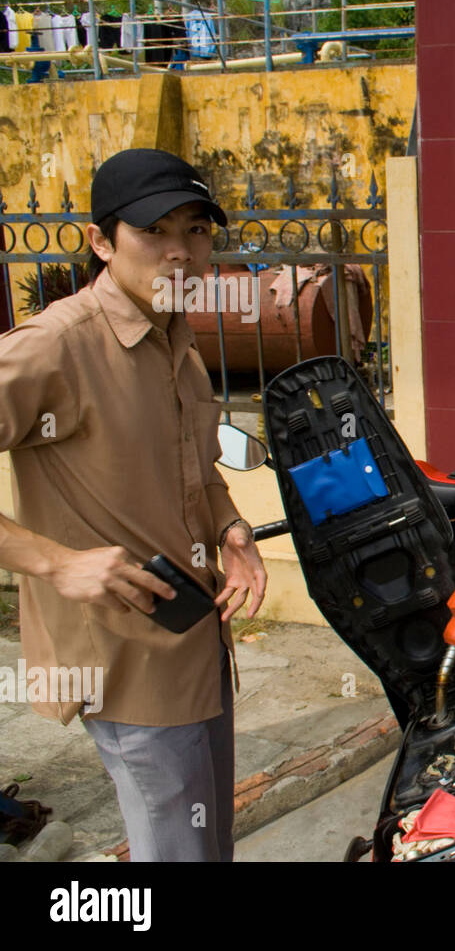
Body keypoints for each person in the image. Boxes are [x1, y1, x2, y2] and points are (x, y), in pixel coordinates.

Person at [0, 148, 268, 861]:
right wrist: (57, 564)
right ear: (100, 240)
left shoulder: (173, 336)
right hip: (124, 663)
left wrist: (230, 525)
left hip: (197, 640)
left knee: (207, 846)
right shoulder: (54, 346)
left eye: (196, 230)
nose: (180, 253)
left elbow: (195, 466)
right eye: (154, 232)